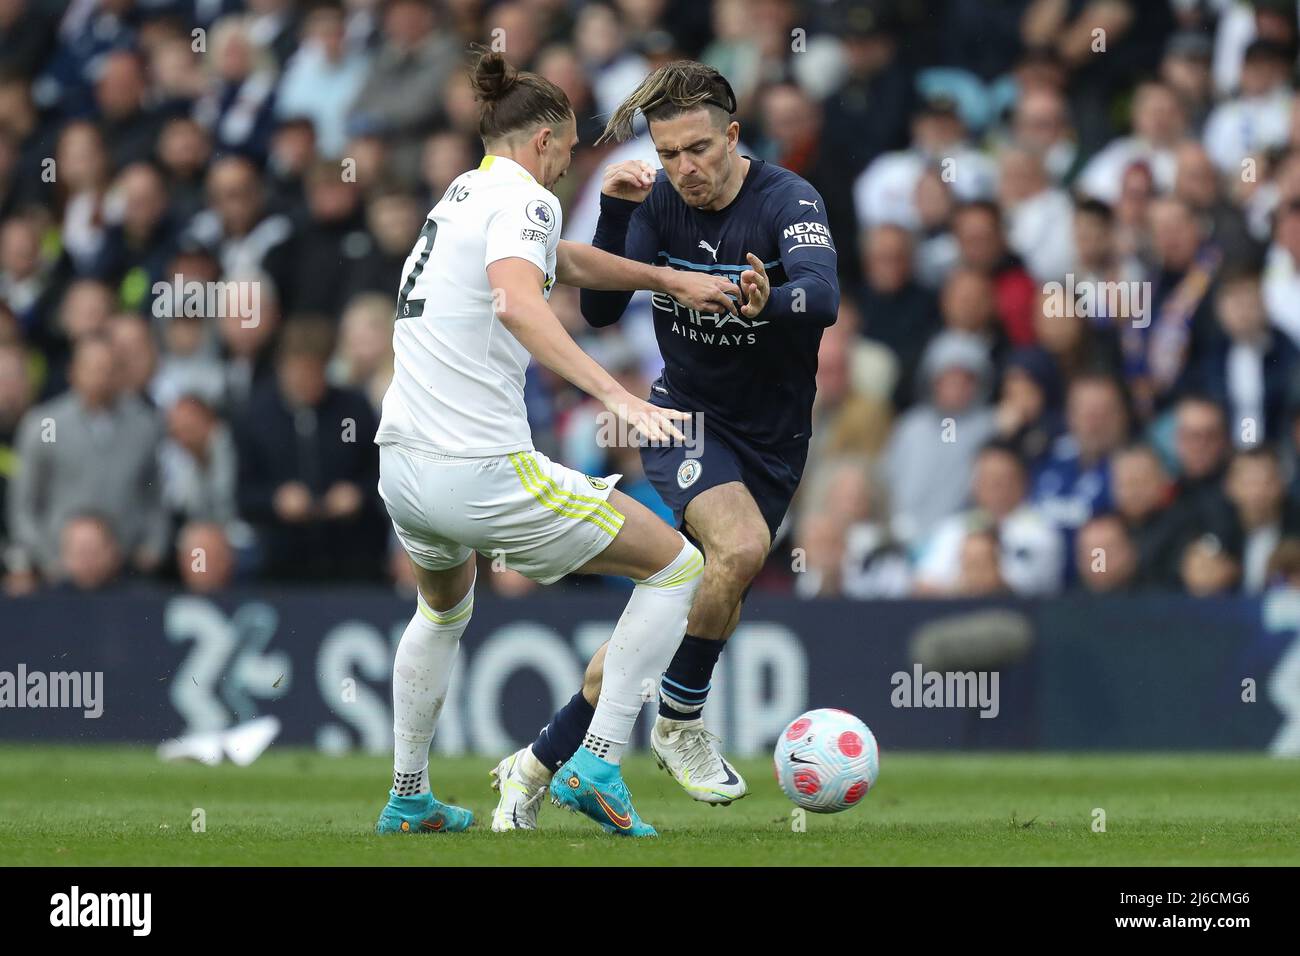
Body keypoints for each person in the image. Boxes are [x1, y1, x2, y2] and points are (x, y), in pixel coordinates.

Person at [373, 52, 739, 839]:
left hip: (401, 462)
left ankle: (408, 795)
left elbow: (559, 263)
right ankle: (599, 761)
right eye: (568, 152)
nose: (569, 169)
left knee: (440, 613)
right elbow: (516, 300)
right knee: (678, 565)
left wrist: (667, 280)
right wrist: (615, 395)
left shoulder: (463, 196)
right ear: (543, 141)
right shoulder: (528, 201)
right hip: (477, 469)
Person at [491, 60, 840, 826]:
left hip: (774, 440)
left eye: (699, 150)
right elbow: (607, 312)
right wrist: (617, 219)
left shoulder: (789, 198)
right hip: (682, 418)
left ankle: (535, 763)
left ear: (733, 137)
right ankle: (680, 723)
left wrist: (768, 299)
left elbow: (823, 294)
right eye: (670, 152)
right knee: (740, 547)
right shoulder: (655, 202)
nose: (685, 168)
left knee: (653, 630)